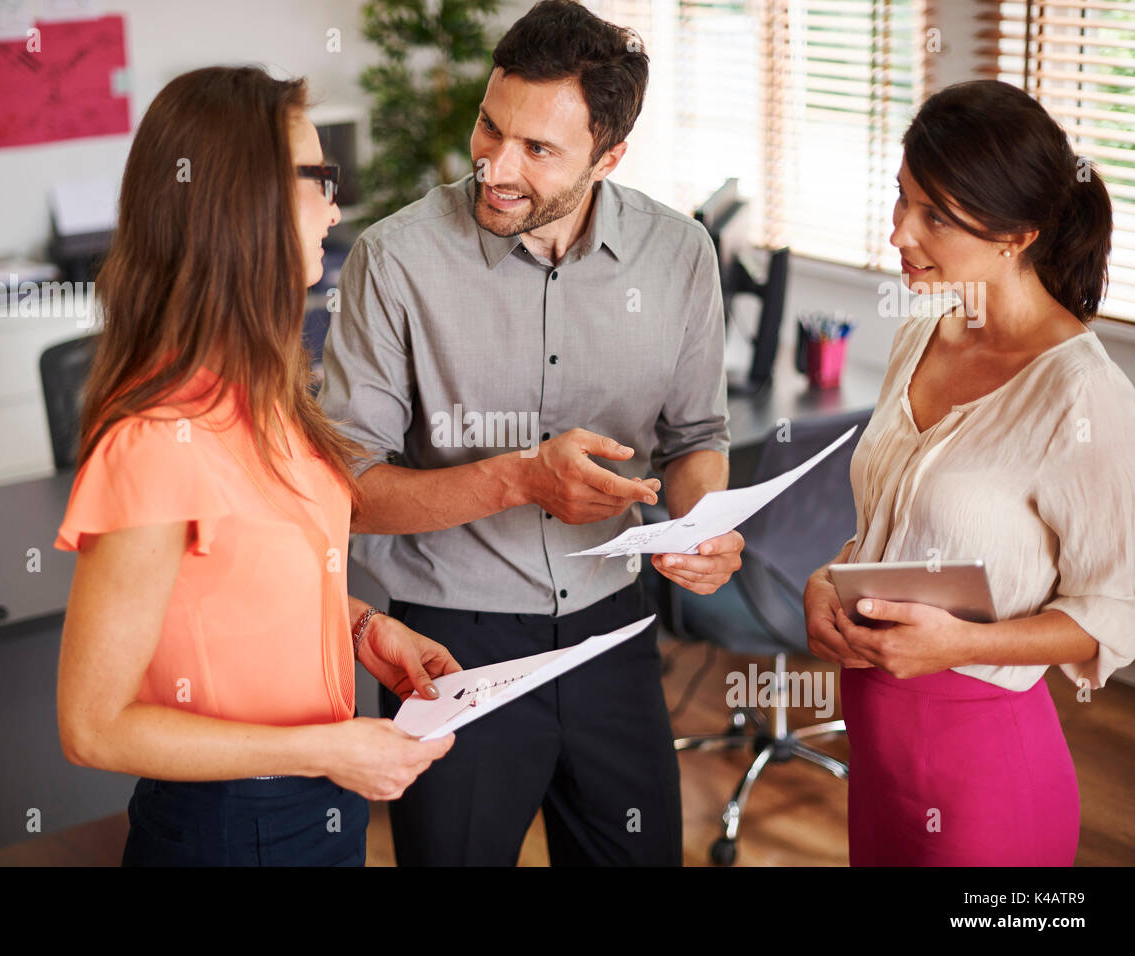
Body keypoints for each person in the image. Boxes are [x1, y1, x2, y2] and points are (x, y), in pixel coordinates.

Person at [317, 0, 743, 866]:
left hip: (613, 630)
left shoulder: (679, 255)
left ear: (610, 156)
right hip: (448, 647)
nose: (496, 166)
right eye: (489, 126)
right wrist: (516, 479)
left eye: (538, 150)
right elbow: (346, 494)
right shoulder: (393, 262)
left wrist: (707, 527)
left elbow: (697, 435)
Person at [54, 66, 459, 867]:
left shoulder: (265, 391)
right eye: (319, 179)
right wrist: (328, 750)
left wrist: (364, 628)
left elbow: (238, 588)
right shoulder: (155, 440)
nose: (336, 208)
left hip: (317, 798)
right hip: (233, 824)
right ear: (248, 200)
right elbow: (92, 726)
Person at [803, 79, 1135, 866]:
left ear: (1016, 234)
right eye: (901, 199)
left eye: (935, 217)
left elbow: (1115, 612)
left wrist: (952, 646)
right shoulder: (921, 337)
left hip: (985, 772)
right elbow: (894, 526)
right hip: (877, 753)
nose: (899, 234)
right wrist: (831, 576)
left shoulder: (1082, 394)